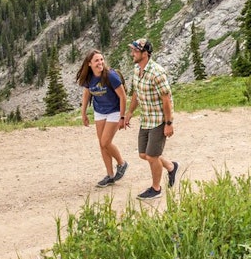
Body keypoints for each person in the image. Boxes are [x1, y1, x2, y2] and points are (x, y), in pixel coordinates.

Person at [120, 38, 179, 199]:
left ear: (145, 54)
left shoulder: (157, 72)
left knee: (152, 156)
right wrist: (130, 112)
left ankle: (156, 189)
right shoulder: (136, 70)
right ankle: (171, 166)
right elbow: (136, 93)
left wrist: (168, 123)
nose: (132, 53)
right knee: (144, 154)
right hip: (146, 118)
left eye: (135, 51)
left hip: (159, 119)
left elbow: (166, 98)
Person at [74, 50, 128, 187]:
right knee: (102, 144)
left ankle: (122, 163)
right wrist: (84, 113)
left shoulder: (111, 76)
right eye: (97, 60)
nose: (100, 63)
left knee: (105, 142)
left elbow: (123, 96)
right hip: (100, 111)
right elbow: (86, 94)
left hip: (114, 111)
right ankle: (110, 176)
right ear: (89, 63)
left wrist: (122, 116)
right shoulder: (88, 77)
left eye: (102, 59)